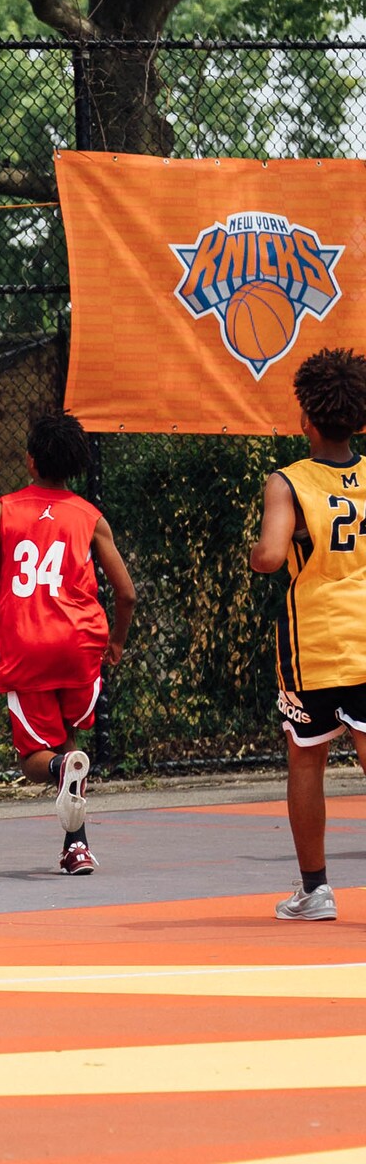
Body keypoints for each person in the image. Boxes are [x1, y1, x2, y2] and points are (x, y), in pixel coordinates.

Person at [0, 411, 136, 875]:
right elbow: (126, 593)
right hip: (81, 641)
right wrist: (117, 641)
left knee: (35, 757)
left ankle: (60, 782)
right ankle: (76, 847)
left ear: (30, 461)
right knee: (69, 743)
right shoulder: (90, 517)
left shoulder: (5, 508)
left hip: (28, 643)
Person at [249, 346, 366, 922]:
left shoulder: (288, 482)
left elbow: (272, 556)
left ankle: (315, 890)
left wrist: (256, 551)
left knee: (306, 757)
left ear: (306, 419)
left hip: (314, 640)